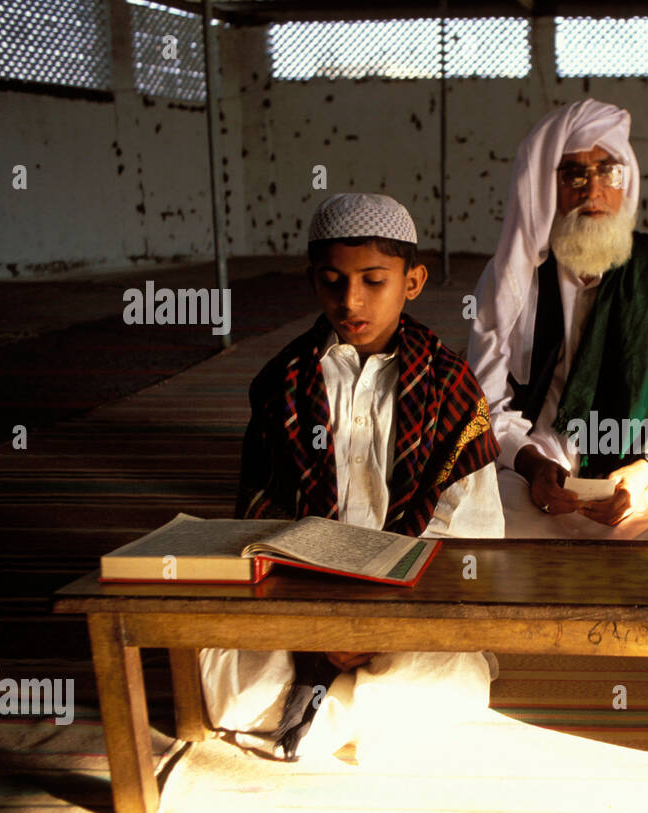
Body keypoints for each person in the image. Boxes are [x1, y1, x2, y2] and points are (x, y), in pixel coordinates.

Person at [198, 192, 505, 763]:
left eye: (373, 280)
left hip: (412, 602)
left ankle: (316, 716)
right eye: (332, 281)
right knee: (231, 682)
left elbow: (472, 530)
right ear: (313, 281)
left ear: (412, 282)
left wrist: (382, 624)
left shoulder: (450, 385)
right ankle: (344, 713)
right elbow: (261, 516)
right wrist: (319, 623)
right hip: (303, 595)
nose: (350, 300)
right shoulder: (283, 381)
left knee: (451, 670)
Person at [467, 99, 648, 541]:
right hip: (532, 475)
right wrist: (532, 463)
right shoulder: (512, 279)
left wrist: (644, 469)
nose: (591, 191)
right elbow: (483, 403)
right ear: (546, 185)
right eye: (574, 174)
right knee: (490, 547)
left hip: (634, 480)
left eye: (608, 172)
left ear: (625, 181)